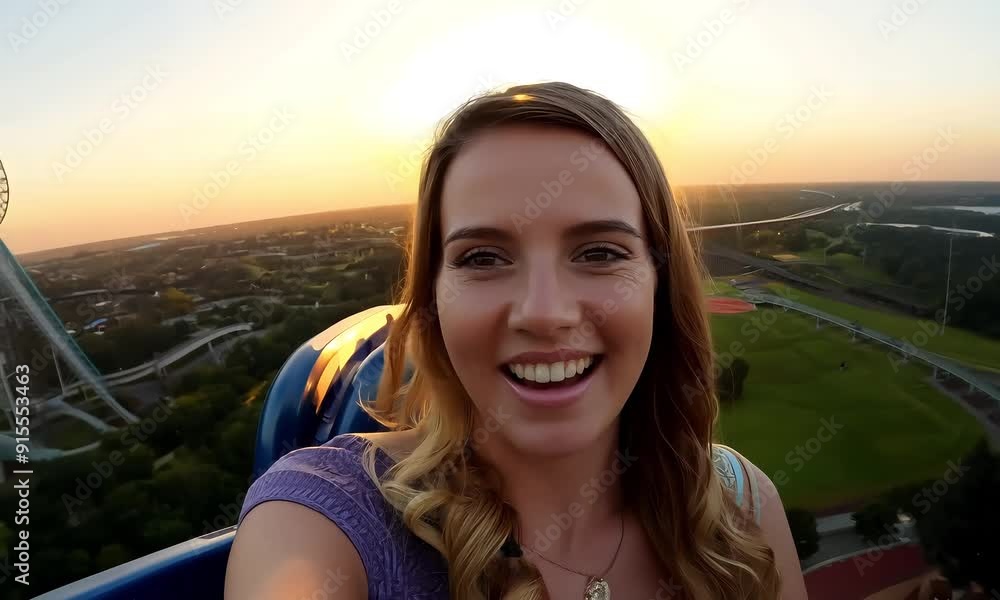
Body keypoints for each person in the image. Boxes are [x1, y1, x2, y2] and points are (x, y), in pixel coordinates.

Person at [226, 81, 807, 599]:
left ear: (660, 283)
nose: (544, 313)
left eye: (600, 253)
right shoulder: (325, 521)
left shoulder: (741, 507)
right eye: (482, 258)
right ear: (431, 301)